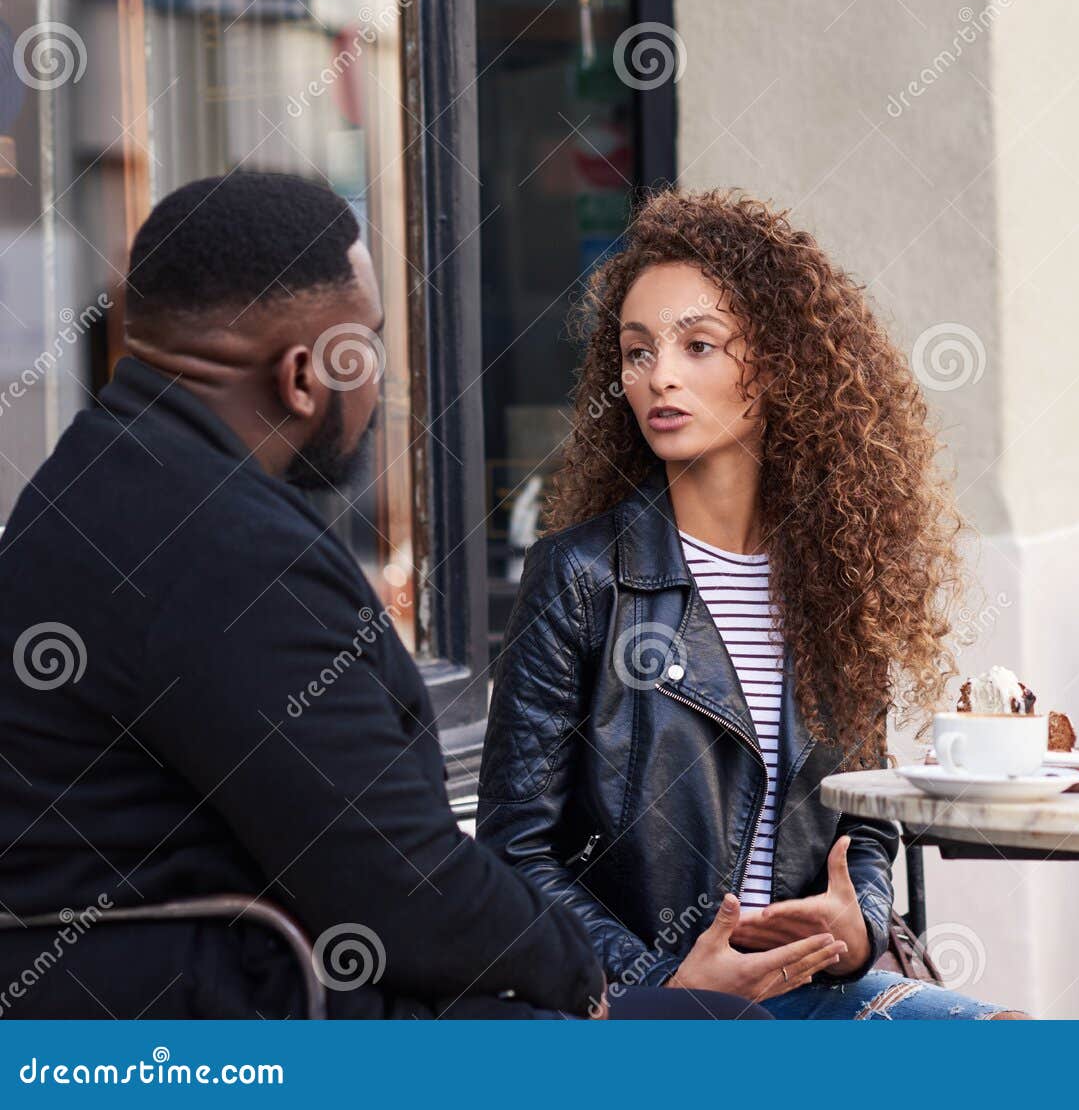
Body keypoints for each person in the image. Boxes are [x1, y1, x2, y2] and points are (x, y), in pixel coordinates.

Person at [0, 172, 769, 1020]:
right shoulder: (227, 552)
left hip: (153, 996)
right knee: (721, 1032)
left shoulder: (90, 481)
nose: (385, 380)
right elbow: (404, 885)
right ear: (303, 375)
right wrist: (584, 979)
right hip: (228, 1027)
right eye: (366, 343)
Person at [477, 189, 1026, 1018]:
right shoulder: (582, 578)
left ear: (771, 368)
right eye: (636, 351)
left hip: (812, 993)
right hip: (651, 1009)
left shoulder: (834, 580)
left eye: (697, 346)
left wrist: (859, 924)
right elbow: (516, 851)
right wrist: (662, 982)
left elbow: (864, 825)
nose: (658, 374)